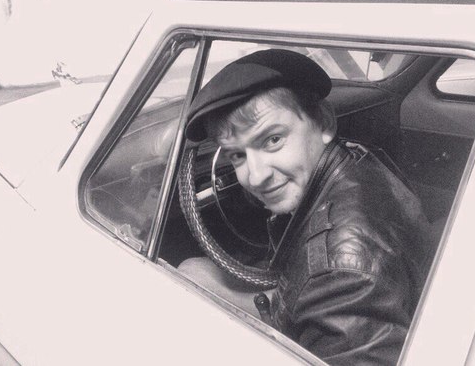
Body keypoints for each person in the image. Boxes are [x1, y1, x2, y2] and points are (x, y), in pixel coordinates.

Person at [180, 49, 432, 365]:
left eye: (272, 140)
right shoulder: (357, 158)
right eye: (238, 155)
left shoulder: (338, 274)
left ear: (323, 122)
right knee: (194, 271)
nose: (255, 177)